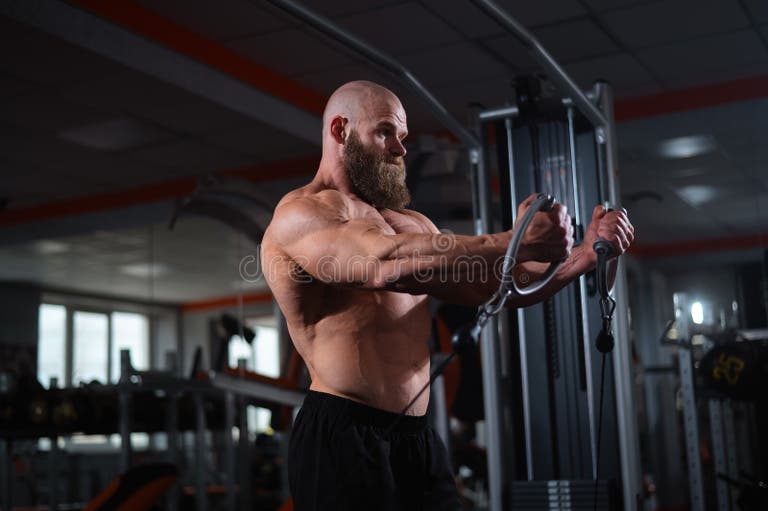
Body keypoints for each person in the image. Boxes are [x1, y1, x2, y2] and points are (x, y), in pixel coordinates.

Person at [261, 80, 634, 510]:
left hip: (417, 437)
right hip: (343, 435)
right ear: (340, 130)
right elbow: (382, 264)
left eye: (402, 136)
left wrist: (584, 255)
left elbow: (494, 285)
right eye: (385, 132)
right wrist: (512, 241)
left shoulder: (412, 224)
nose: (400, 149)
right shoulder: (300, 214)